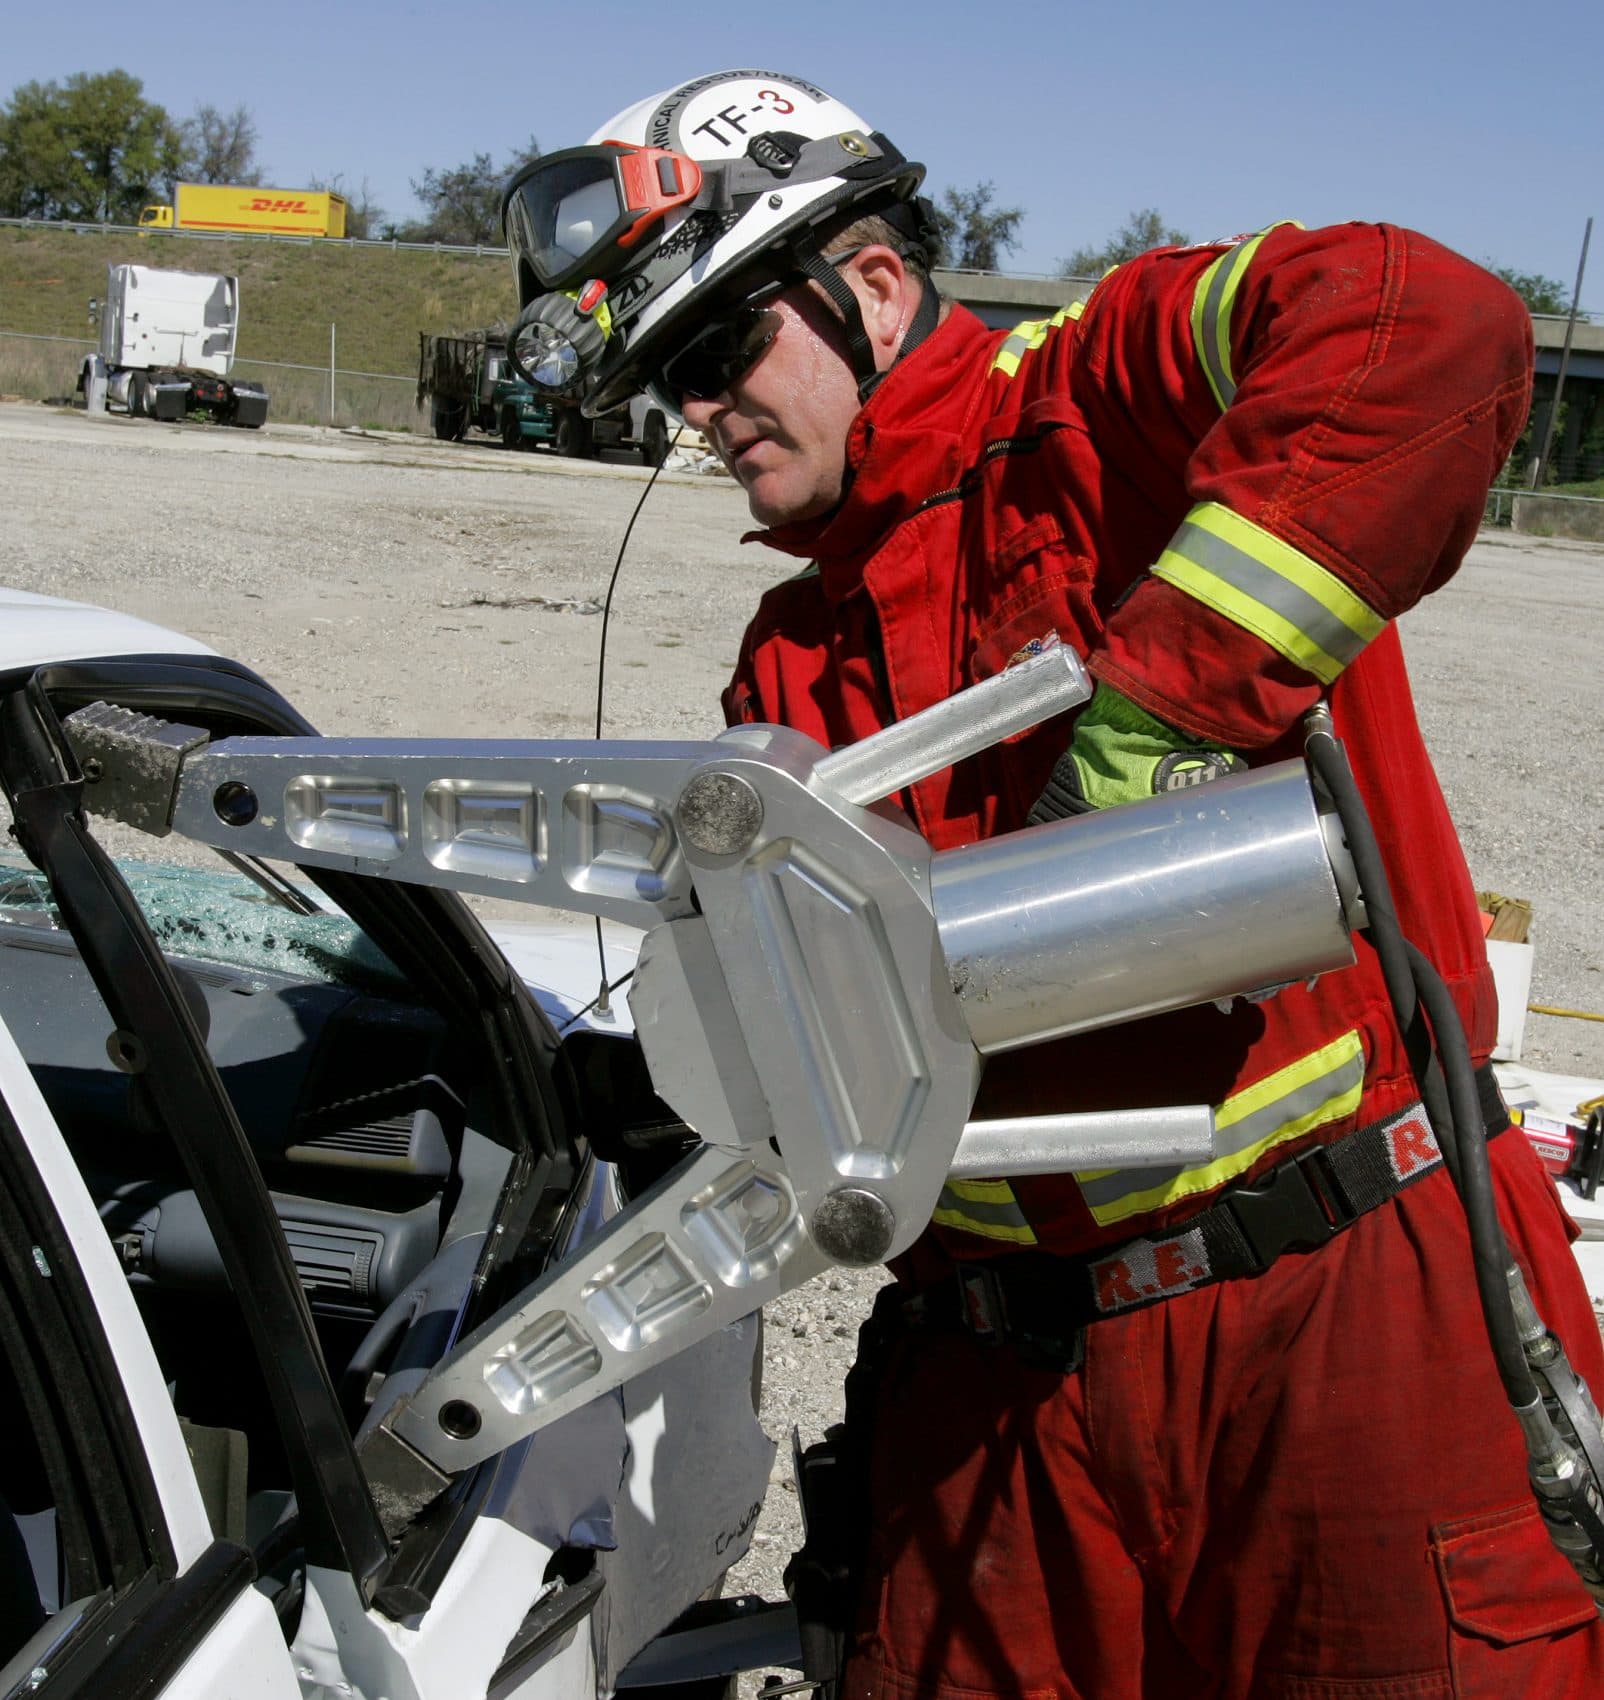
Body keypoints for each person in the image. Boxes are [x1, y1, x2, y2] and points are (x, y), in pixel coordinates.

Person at [502, 70, 1604, 1697]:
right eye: (668, 376)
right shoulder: (790, 664)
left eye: (720, 350)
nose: (699, 411)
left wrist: (1167, 712)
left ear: (869, 284)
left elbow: (1426, 325)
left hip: (1338, 1311)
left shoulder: (1110, 396)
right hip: (1002, 1384)